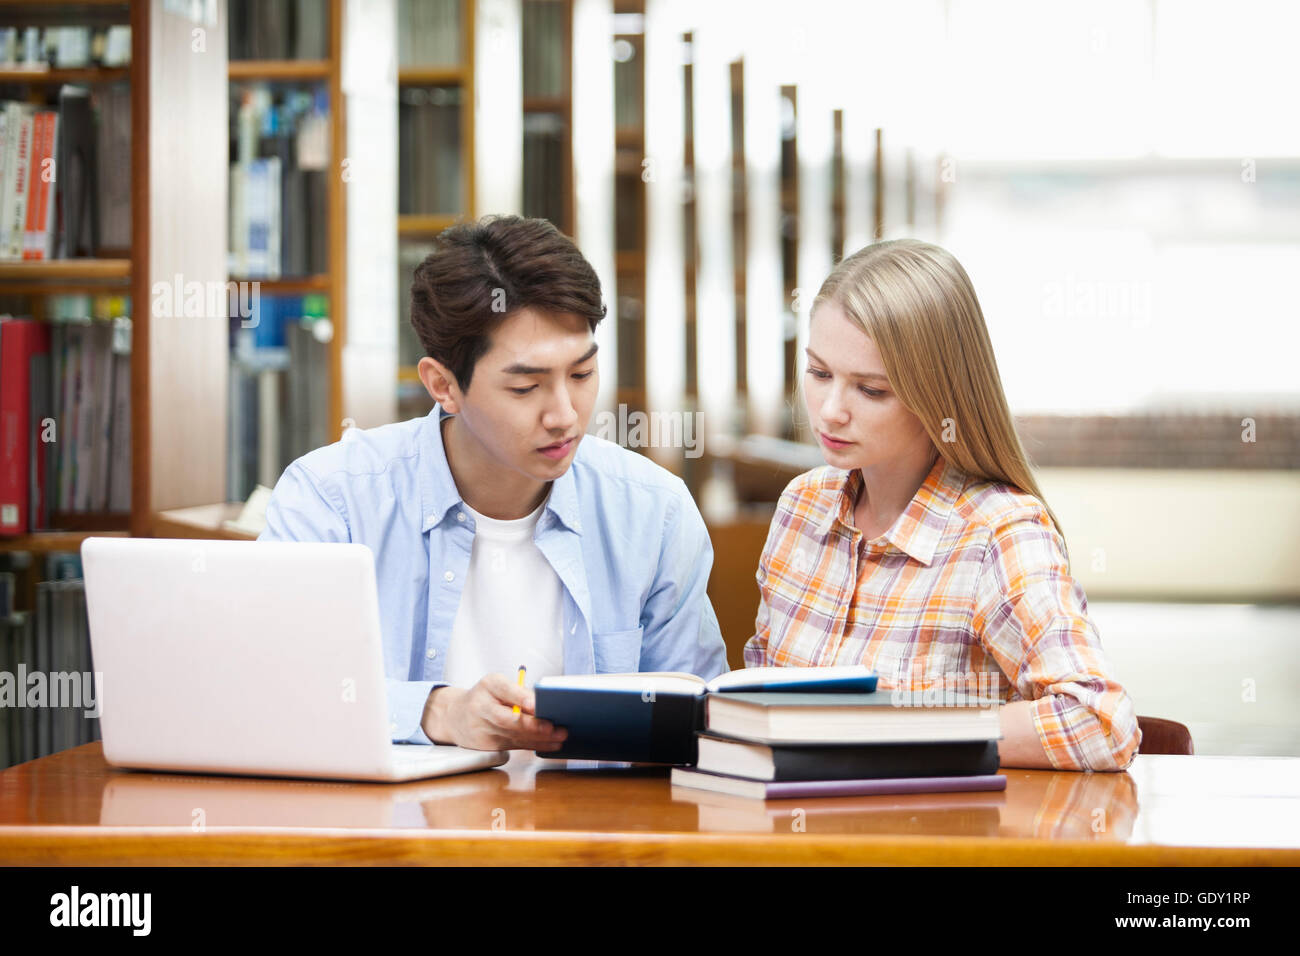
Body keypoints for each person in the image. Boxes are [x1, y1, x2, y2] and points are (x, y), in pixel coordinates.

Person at [260, 215, 727, 751]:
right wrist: (438, 712)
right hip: (390, 830)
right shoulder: (332, 500)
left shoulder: (654, 513)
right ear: (443, 385)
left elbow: (700, 725)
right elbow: (271, 688)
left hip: (591, 829)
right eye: (526, 387)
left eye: (581, 375)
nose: (565, 416)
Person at [744, 239, 1141, 771]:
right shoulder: (803, 506)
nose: (830, 411)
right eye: (819, 374)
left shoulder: (998, 532)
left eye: (871, 390)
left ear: (938, 395)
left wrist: (903, 729)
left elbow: (1100, 722)